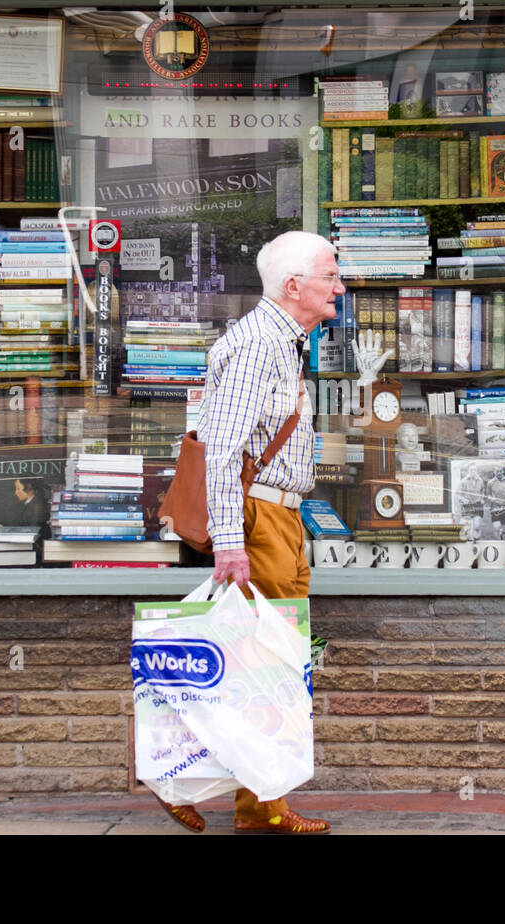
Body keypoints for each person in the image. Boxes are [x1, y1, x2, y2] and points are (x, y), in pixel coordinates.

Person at [156, 230, 340, 835]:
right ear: (295, 286)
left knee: (263, 663)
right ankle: (179, 778)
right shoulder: (260, 345)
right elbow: (221, 449)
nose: (340, 286)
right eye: (330, 275)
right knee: (261, 664)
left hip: (277, 518)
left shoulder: (282, 342)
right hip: (258, 521)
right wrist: (231, 541)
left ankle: (257, 808)